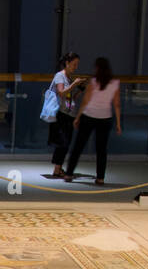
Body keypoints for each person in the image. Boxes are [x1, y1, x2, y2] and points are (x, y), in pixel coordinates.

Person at [63, 57, 121, 185]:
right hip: (105, 118)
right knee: (101, 149)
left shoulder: (94, 82)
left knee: (78, 146)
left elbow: (85, 101)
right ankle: (100, 177)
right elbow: (116, 104)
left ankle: (68, 174)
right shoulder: (115, 83)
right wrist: (118, 123)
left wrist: (77, 117)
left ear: (97, 68)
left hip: (89, 116)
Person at [46, 53, 84, 179]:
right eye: (74, 64)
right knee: (63, 142)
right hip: (61, 113)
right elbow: (61, 93)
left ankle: (58, 168)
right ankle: (57, 169)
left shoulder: (68, 77)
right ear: (67, 63)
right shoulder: (60, 76)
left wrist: (79, 90)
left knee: (65, 141)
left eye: (77, 64)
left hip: (68, 113)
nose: (76, 67)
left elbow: (70, 97)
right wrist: (74, 84)